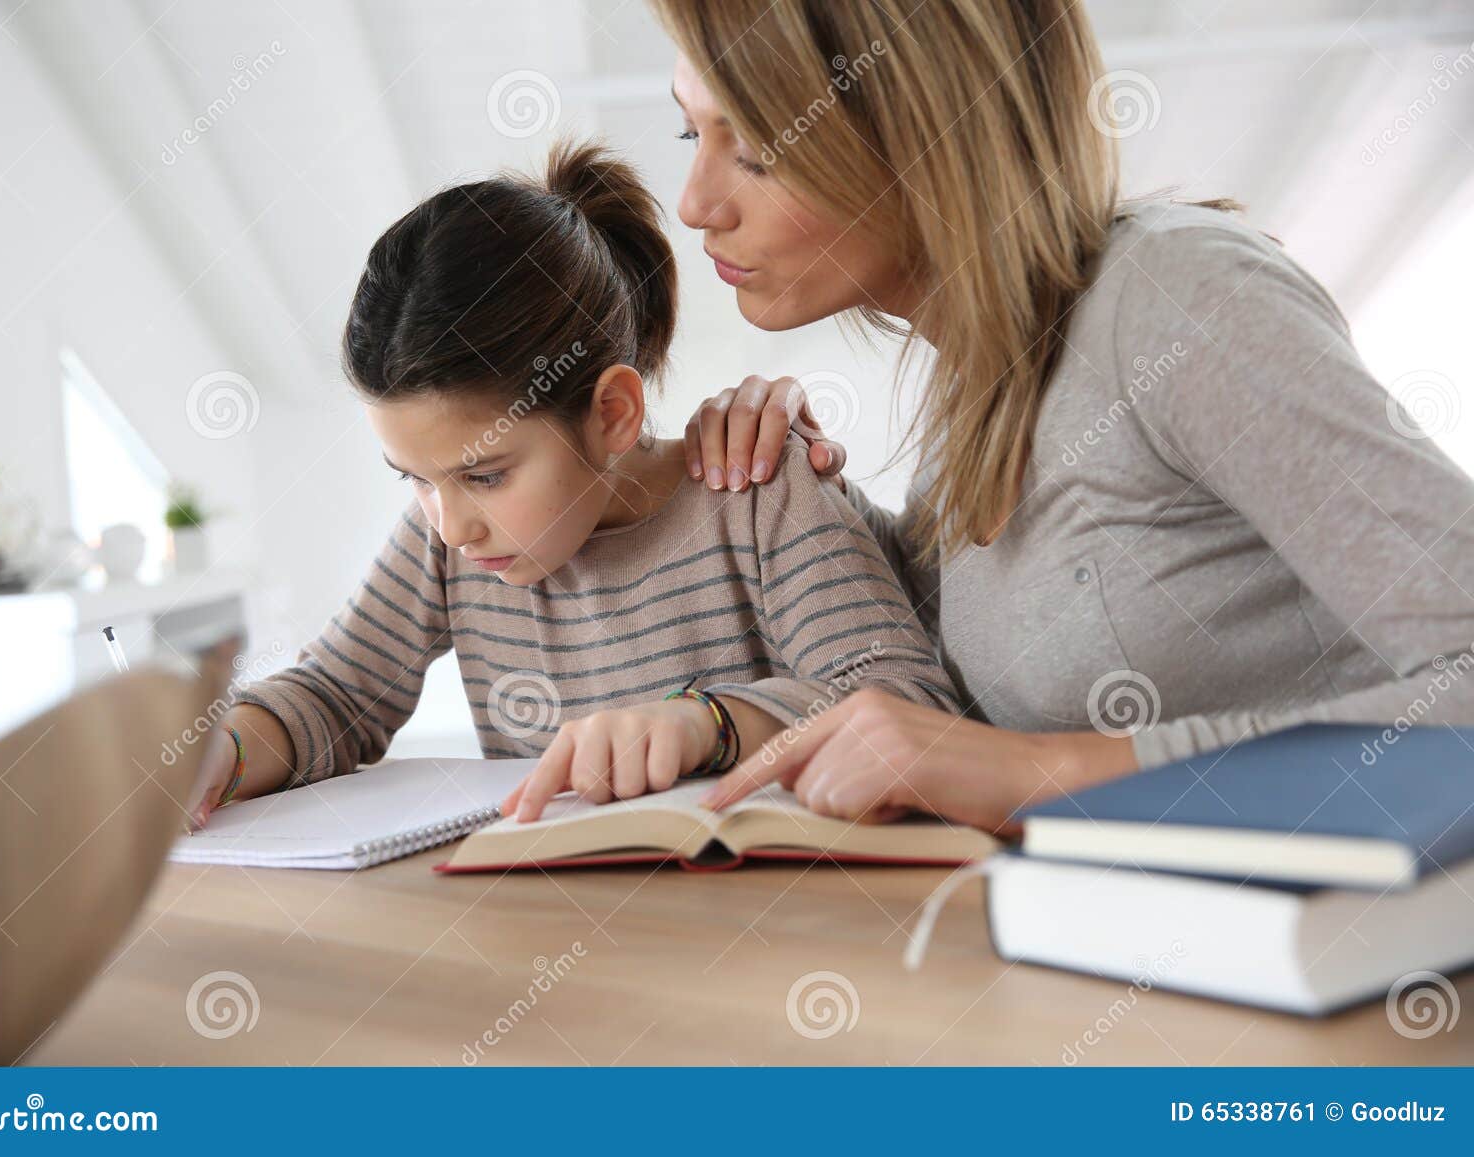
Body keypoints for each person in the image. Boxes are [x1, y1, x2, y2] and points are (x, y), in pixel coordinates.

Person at [649, 0, 1474, 832]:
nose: (695, 204)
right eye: (693, 135)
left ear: (926, 128)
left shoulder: (1177, 299)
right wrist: (790, 481)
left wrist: (1040, 774)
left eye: (755, 151)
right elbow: (918, 695)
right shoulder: (977, 384)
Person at [184, 139, 957, 829]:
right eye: (415, 479)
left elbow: (908, 703)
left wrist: (705, 724)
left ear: (613, 413)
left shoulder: (759, 490)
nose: (451, 523)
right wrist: (227, 749)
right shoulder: (446, 543)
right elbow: (332, 694)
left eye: (485, 474)